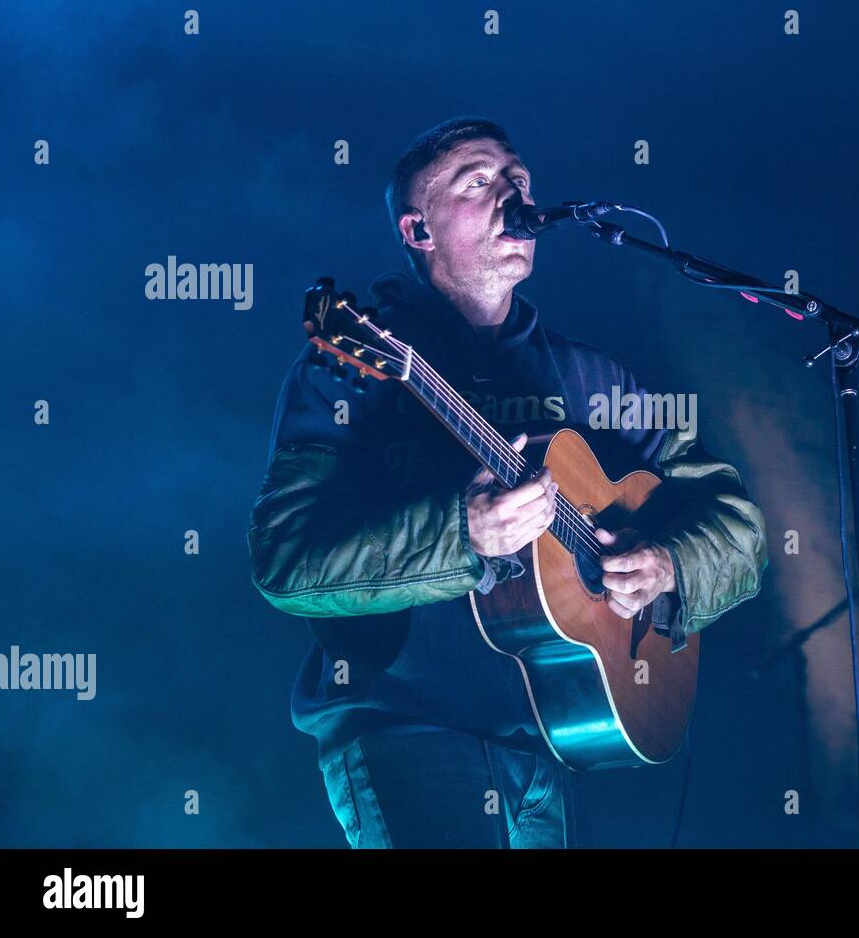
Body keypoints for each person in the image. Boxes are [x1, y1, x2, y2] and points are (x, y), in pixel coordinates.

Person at [247, 116, 768, 847]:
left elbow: (738, 524)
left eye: (518, 178)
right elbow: (287, 564)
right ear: (418, 231)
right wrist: (462, 532)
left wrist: (670, 565)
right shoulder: (351, 368)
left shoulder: (593, 378)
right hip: (405, 727)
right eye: (479, 181)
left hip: (551, 740)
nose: (513, 193)